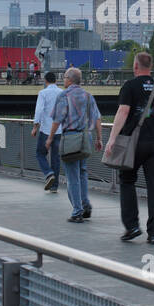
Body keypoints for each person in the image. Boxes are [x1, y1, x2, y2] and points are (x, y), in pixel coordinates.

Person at [104, 52, 154, 244]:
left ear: (136, 66)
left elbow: (123, 111)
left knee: (127, 180)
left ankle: (132, 226)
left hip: (133, 143)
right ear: (150, 66)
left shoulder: (129, 86)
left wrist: (112, 139)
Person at [47, 68, 103, 223]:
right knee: (82, 172)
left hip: (71, 137)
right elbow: (97, 118)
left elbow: (57, 119)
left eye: (64, 77)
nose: (63, 80)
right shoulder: (88, 96)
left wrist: (50, 138)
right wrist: (99, 139)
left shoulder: (63, 95)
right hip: (86, 137)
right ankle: (85, 204)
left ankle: (77, 211)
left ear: (69, 79)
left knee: (72, 176)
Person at [31, 71, 63, 193]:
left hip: (46, 130)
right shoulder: (62, 93)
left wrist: (35, 127)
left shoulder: (43, 93)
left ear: (46, 81)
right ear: (56, 80)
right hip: (59, 130)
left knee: (40, 153)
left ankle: (48, 173)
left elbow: (39, 110)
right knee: (56, 157)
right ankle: (54, 187)